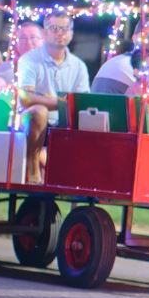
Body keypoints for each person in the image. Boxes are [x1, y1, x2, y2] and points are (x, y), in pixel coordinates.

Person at [17, 13, 90, 183]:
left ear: (71, 34)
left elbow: (81, 102)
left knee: (89, 116)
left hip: (64, 123)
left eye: (65, 29)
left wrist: (57, 103)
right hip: (29, 123)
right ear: (44, 33)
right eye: (54, 28)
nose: (60, 33)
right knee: (39, 111)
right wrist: (60, 103)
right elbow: (26, 99)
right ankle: (32, 167)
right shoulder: (29, 60)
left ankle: (82, 177)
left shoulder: (78, 66)